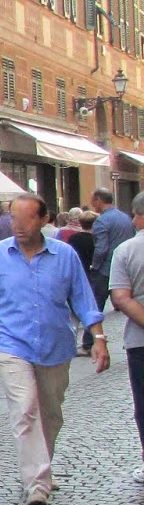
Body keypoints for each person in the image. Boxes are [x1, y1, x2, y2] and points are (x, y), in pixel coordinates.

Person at [0, 193, 108, 505]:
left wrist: (99, 338)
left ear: (44, 220)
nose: (18, 226)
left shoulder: (65, 256)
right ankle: (37, 483)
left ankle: (43, 466)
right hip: (12, 345)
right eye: (14, 219)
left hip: (55, 345)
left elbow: (83, 300)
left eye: (26, 219)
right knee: (24, 410)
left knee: (51, 412)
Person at [107, 192, 144, 485]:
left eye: (134, 214)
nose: (132, 220)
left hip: (140, 341)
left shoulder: (126, 250)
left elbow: (120, 297)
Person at [86, 188, 134, 353]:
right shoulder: (125, 218)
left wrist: (95, 265)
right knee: (129, 303)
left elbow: (101, 248)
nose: (92, 205)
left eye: (93, 202)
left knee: (95, 305)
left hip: (106, 269)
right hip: (127, 268)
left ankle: (88, 341)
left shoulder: (101, 221)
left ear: (99, 201)